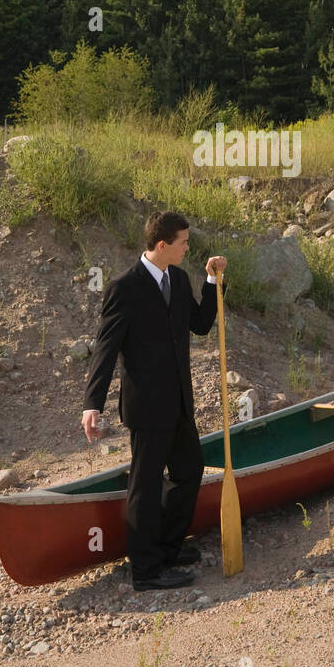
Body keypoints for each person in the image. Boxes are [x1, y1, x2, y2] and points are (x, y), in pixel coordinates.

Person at [81, 210, 227, 591]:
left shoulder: (178, 279)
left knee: (189, 470)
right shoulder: (124, 288)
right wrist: (92, 403)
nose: (188, 247)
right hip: (146, 407)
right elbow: (106, 348)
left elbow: (200, 324)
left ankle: (166, 546)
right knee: (145, 488)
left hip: (179, 401)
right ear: (162, 245)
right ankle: (145, 570)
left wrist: (212, 281)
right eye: (183, 242)